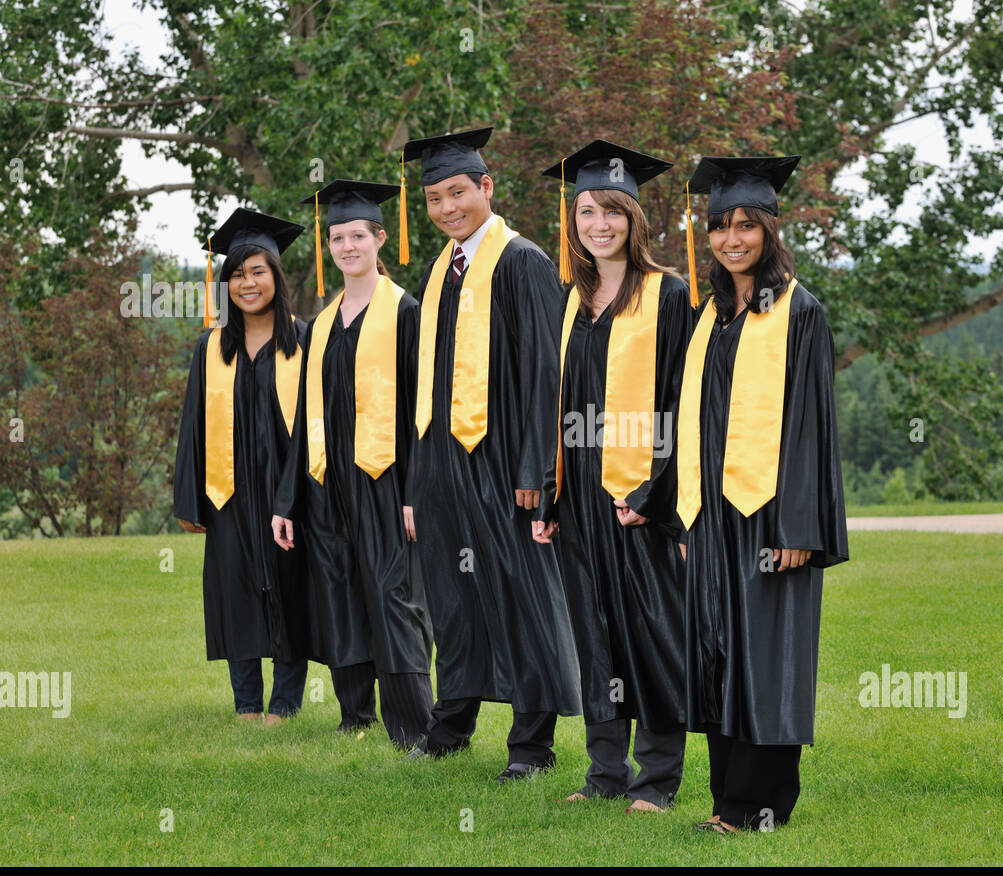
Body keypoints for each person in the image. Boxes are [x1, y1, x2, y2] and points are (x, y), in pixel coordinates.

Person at [399, 126, 582, 782]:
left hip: (506, 466)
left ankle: (532, 747)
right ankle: (451, 728)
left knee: (520, 598)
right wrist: (417, 486)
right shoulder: (440, 272)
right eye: (434, 198)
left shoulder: (522, 262)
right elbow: (426, 387)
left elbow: (546, 375)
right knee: (455, 602)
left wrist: (538, 469)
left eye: (458, 193)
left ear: (487, 187)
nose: (447, 208)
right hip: (445, 467)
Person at [680, 156, 849, 832]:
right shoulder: (712, 315)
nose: (732, 239)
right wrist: (666, 504)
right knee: (722, 655)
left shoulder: (800, 313)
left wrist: (798, 528)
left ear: (771, 229)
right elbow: (692, 418)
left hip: (770, 517)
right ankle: (727, 800)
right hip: (713, 517)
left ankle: (761, 805)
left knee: (769, 658)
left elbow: (812, 427)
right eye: (720, 226)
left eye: (746, 225)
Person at [533, 140, 692, 812]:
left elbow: (684, 403)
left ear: (634, 218)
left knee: (650, 632)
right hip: (580, 498)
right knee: (593, 632)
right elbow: (558, 401)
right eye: (587, 212)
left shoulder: (668, 295)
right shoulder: (572, 299)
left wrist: (658, 494)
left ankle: (656, 779)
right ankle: (605, 773)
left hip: (638, 497)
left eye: (612, 211)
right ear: (573, 220)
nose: (599, 224)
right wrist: (550, 495)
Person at [271, 179, 434, 750]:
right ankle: (355, 716)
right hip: (327, 485)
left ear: (380, 239)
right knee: (339, 593)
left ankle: (414, 725)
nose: (347, 246)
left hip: (385, 480)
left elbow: (422, 410)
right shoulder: (320, 325)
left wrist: (415, 492)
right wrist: (287, 501)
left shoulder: (405, 312)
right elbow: (303, 418)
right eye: (337, 238)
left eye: (357, 236)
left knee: (393, 597)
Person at [174, 208, 311, 726]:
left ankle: (286, 703)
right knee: (235, 590)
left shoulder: (303, 340)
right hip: (228, 491)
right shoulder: (211, 347)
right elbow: (193, 425)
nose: (246, 284)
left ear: (276, 275)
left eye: (257, 271)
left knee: (290, 588)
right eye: (236, 275)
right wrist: (190, 499)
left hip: (287, 491)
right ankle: (247, 702)